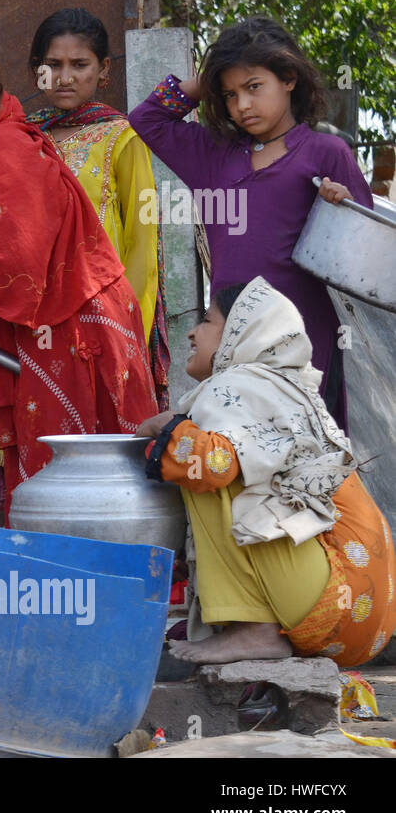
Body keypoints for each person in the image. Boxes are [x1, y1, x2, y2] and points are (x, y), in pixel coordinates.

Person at [0, 39, 158, 520]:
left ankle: (91, 582)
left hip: (77, 319)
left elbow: (21, 255)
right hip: (58, 317)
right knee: (69, 476)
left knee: (78, 476)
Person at [128, 15, 371, 430]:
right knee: (234, 453)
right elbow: (146, 119)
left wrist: (342, 211)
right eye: (229, 94)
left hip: (306, 340)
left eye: (254, 87)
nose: (242, 105)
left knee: (304, 456)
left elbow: (363, 262)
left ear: (289, 78)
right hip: (232, 340)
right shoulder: (214, 155)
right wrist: (213, 75)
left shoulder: (325, 153)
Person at [137, 278, 394, 667]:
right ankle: (254, 624)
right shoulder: (287, 388)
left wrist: (165, 426)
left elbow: (212, 466)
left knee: (197, 463)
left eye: (207, 321)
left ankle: (255, 629)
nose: (191, 332)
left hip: (331, 599)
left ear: (243, 332)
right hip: (367, 617)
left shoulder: (237, 384)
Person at [26, 8, 170, 408]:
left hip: (102, 318)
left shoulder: (122, 137)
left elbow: (142, 245)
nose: (65, 76)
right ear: (36, 69)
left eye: (80, 64)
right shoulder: (21, 139)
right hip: (33, 316)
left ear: (103, 69)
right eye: (53, 65)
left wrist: (128, 333)